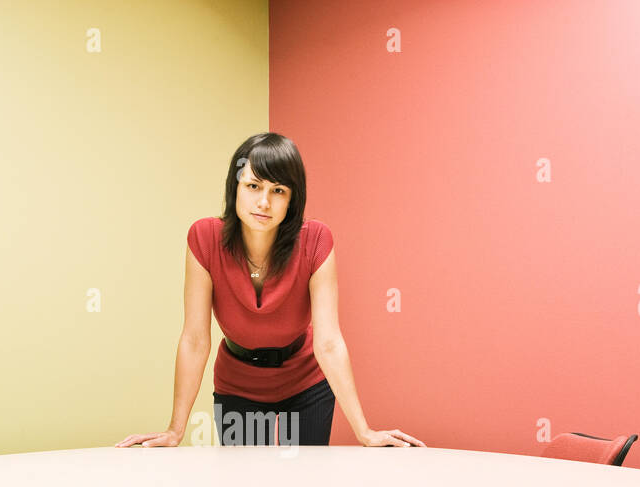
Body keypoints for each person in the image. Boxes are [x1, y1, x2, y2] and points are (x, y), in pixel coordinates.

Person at [116, 132, 425, 449]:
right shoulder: (204, 238)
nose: (264, 202)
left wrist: (364, 431)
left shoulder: (316, 240)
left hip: (306, 382)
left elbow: (329, 341)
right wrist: (175, 430)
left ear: (292, 199)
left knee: (306, 484)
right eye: (253, 186)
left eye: (278, 190)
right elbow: (195, 339)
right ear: (234, 187)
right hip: (238, 384)